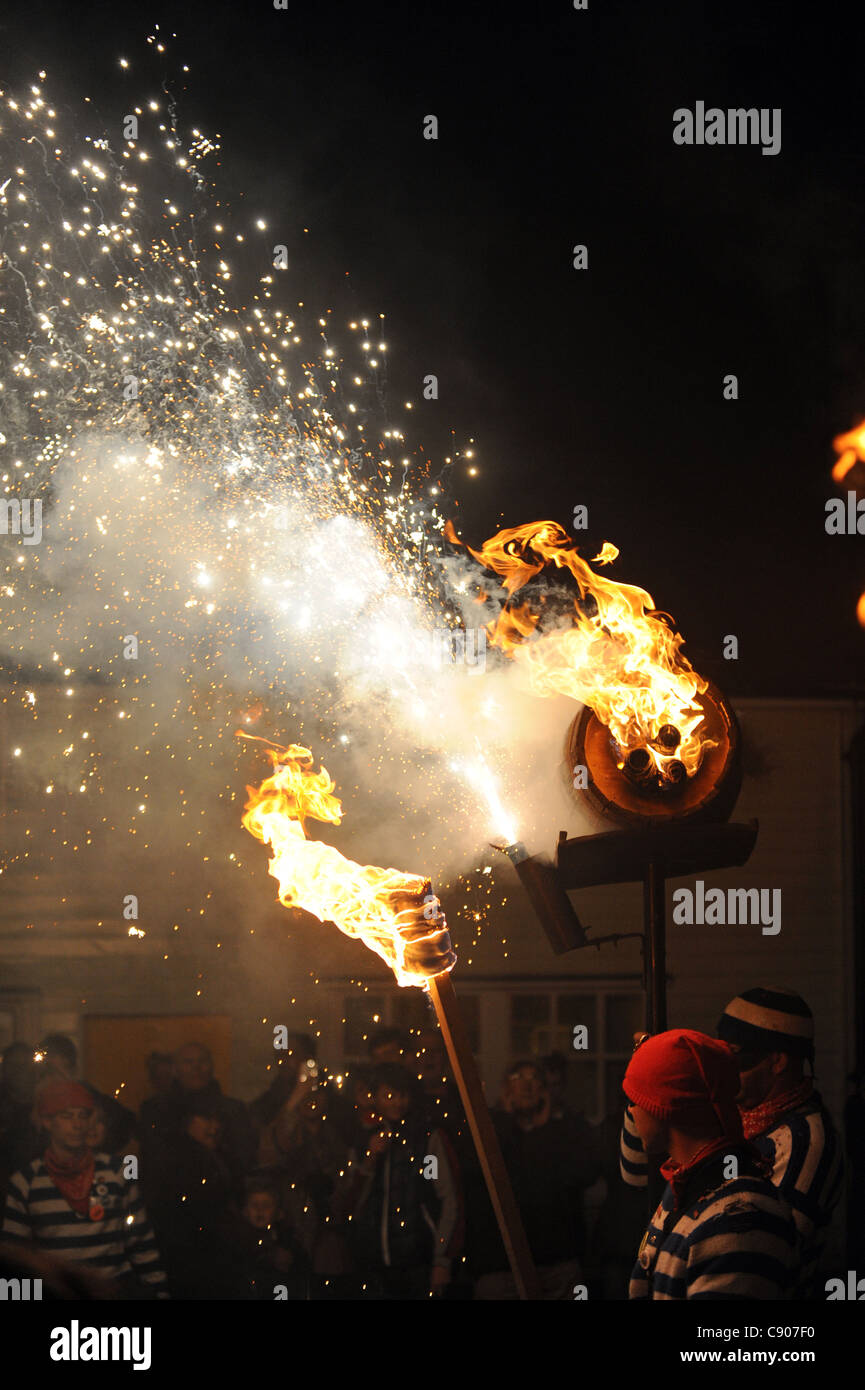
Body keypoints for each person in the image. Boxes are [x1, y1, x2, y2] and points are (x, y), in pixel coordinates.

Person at [620, 987, 843, 1297]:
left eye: (735, 1055)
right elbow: (635, 1172)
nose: (722, 1066)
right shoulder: (734, 1118)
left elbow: (758, 1249)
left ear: (777, 1061)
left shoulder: (806, 1140)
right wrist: (652, 1076)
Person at [624, 1030, 797, 1300]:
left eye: (637, 1099)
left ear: (666, 1106)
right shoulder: (684, 1188)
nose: (632, 1111)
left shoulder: (738, 1218)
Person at [2, 1079, 167, 1297]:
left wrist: (159, 1293)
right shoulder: (26, 1181)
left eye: (83, 1115)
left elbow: (142, 1243)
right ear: (48, 1122)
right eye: (67, 1116)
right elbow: (16, 1255)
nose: (77, 1124)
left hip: (113, 1293)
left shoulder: (119, 1172)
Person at [472, 1059, 603, 1299]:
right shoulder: (492, 1127)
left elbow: (583, 1173)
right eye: (518, 1079)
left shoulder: (568, 1129)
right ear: (505, 1089)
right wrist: (506, 1119)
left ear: (545, 1090)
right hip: (501, 1262)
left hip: (557, 1259)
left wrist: (546, 1127)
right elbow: (483, 1174)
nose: (526, 1087)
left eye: (534, 1080)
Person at [339, 1063, 462, 1298]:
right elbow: (350, 1203)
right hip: (371, 1263)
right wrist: (370, 1159)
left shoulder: (426, 1138)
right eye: (389, 1096)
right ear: (374, 1097)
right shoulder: (362, 1137)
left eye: (403, 1095)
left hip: (418, 1260)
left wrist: (441, 1260)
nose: (397, 1102)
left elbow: (448, 1198)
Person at [139, 1041, 255, 1183]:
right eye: (188, 1062)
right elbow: (152, 1161)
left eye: (202, 1061)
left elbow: (244, 1161)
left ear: (211, 1067)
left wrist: (214, 1144)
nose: (196, 1068)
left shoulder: (233, 1110)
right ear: (175, 1069)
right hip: (171, 1197)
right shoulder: (156, 1110)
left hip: (220, 1195)